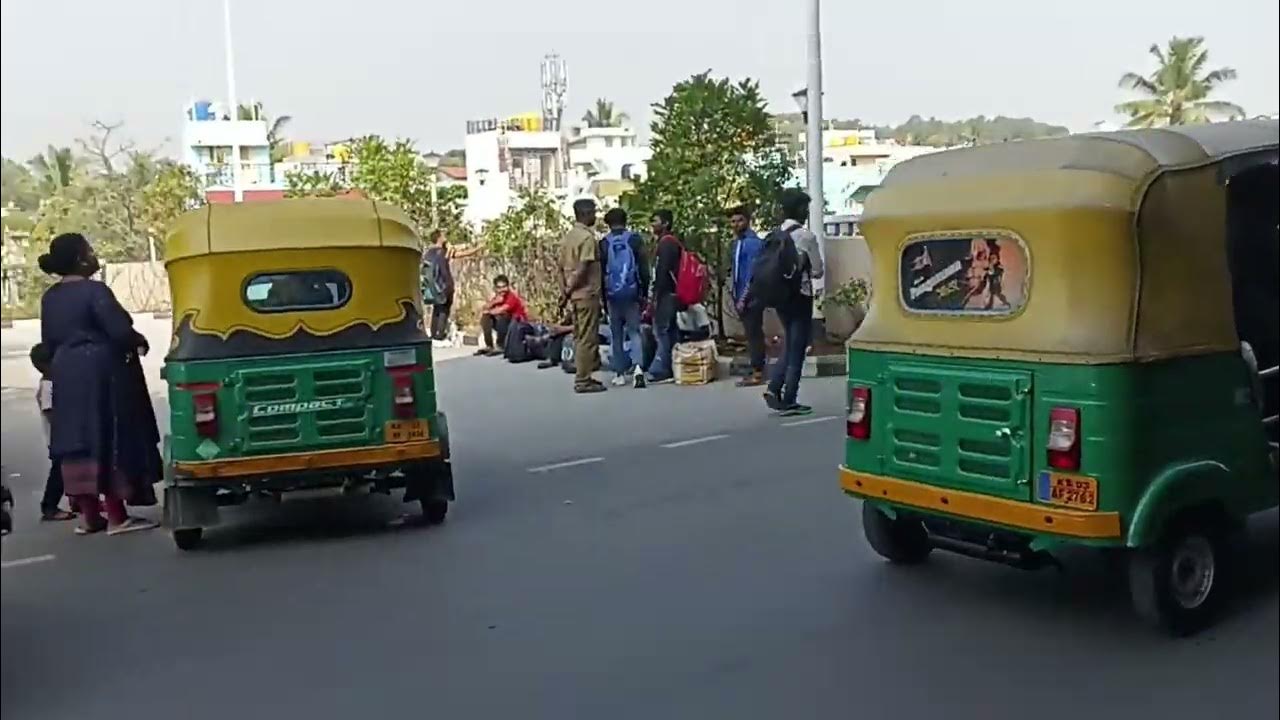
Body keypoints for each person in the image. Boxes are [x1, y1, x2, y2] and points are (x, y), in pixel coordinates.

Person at [38, 233, 161, 535]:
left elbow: (49, 341)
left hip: (65, 371)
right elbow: (119, 330)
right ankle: (118, 517)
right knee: (109, 435)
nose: (93, 256)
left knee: (77, 440)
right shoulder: (95, 291)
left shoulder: (50, 297)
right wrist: (139, 342)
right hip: (101, 372)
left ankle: (89, 517)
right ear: (81, 258)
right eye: (89, 251)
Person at [764, 189, 823, 416]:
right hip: (800, 295)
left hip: (780, 296)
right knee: (797, 347)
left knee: (790, 341)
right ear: (800, 210)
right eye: (805, 208)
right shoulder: (806, 236)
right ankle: (788, 397)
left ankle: (774, 388)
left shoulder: (776, 233)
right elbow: (818, 271)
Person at [559, 199, 606, 393]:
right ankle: (583, 379)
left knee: (580, 336)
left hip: (574, 296)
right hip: (586, 293)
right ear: (586, 214)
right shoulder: (587, 239)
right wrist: (569, 290)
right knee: (588, 337)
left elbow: (560, 268)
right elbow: (583, 268)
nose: (595, 216)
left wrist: (564, 293)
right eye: (593, 212)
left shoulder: (569, 237)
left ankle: (585, 373)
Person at [599, 207, 650, 388]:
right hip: (632, 293)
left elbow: (600, 273)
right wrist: (644, 293)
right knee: (635, 332)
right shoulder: (635, 240)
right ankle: (638, 370)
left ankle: (619, 374)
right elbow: (644, 269)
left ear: (608, 223)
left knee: (616, 335)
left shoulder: (604, 243)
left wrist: (603, 298)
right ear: (625, 220)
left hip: (612, 296)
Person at [29, 343, 76, 522]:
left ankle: (77, 501)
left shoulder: (51, 381)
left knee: (70, 469)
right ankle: (49, 506)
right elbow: (50, 412)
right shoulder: (48, 384)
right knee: (59, 473)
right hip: (58, 437)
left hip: (60, 436)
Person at [729, 206, 766, 386]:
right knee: (750, 334)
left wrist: (744, 297)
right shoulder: (736, 244)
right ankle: (755, 369)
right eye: (733, 222)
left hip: (752, 296)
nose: (736, 225)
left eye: (740, 220)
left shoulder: (753, 243)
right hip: (739, 295)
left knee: (754, 333)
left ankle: (758, 371)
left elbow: (753, 273)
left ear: (748, 221)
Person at [422, 229, 481, 342]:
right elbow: (462, 254)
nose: (445, 237)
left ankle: (434, 335)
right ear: (439, 238)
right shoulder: (443, 251)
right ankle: (439, 335)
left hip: (433, 287)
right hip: (444, 285)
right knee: (444, 310)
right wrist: (478, 248)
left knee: (436, 309)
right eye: (443, 235)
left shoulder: (428, 253)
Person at [645, 209, 683, 384]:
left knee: (662, 330)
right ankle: (672, 365)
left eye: (656, 220)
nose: (653, 224)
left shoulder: (666, 243)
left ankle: (662, 368)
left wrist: (656, 295)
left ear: (666, 223)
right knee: (670, 330)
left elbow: (663, 271)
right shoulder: (668, 242)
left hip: (666, 293)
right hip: (671, 292)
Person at [476, 275, 529, 356]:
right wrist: (494, 302)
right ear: (496, 288)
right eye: (499, 287)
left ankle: (500, 345)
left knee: (502, 316)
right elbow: (485, 308)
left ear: (508, 287)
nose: (502, 290)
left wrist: (489, 311)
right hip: (506, 325)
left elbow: (501, 310)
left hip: (518, 325)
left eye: (504, 287)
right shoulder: (498, 298)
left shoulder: (511, 297)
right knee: (486, 318)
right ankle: (489, 345)